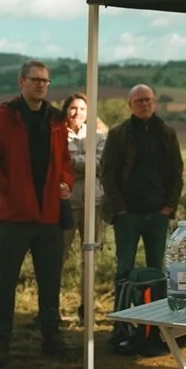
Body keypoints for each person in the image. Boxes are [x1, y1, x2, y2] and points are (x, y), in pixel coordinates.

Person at [0, 59, 74, 367]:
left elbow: (66, 164)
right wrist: (9, 188)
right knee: (6, 282)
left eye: (45, 81)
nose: (41, 85)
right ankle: (0, 342)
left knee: (50, 281)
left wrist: (66, 183)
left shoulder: (57, 120)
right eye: (35, 80)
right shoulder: (4, 118)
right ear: (21, 82)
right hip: (14, 217)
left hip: (49, 217)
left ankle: (51, 337)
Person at [99, 84, 184, 339]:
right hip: (128, 215)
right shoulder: (118, 135)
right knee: (123, 271)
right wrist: (121, 210)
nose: (144, 104)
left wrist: (168, 207)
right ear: (130, 105)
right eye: (139, 101)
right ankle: (121, 326)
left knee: (157, 271)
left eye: (148, 100)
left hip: (158, 214)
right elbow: (107, 174)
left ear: (155, 102)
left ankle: (157, 327)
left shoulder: (167, 134)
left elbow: (176, 174)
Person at [61, 92, 108, 322]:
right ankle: (51, 309)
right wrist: (83, 161)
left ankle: (86, 308)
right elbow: (58, 163)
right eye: (73, 108)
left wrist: (72, 160)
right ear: (65, 110)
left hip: (94, 202)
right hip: (66, 203)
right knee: (58, 255)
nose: (77, 113)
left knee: (90, 257)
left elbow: (100, 165)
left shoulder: (98, 135)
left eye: (81, 108)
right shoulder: (58, 134)